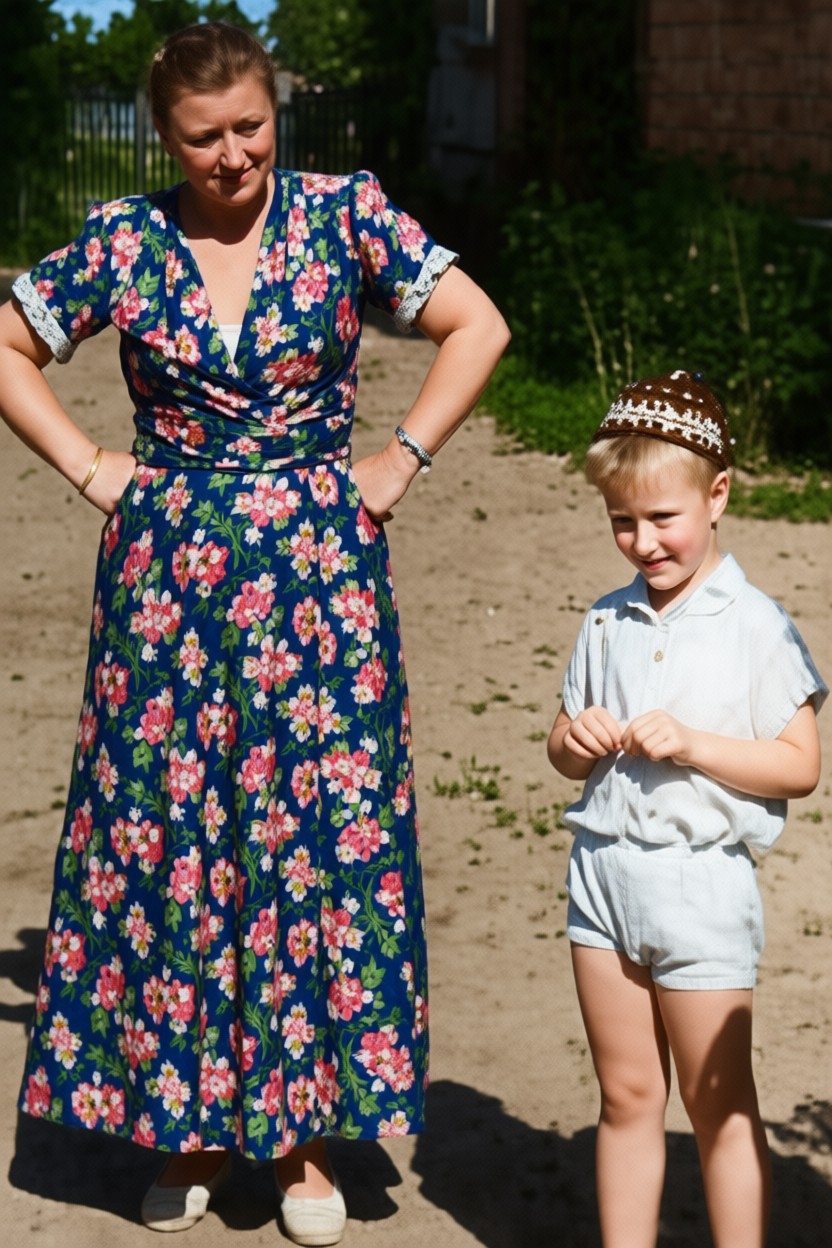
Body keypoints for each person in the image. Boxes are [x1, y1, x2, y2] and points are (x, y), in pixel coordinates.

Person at [0, 21, 509, 1245]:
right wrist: (85, 466)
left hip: (317, 589)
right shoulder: (126, 238)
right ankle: (186, 1128)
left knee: (308, 847)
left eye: (250, 126)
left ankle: (297, 1144)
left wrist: (401, 457)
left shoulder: (346, 216)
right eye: (202, 136)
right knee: (171, 838)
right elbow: (7, 344)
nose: (232, 155)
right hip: (167, 590)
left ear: (276, 110)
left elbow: (476, 326)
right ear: (164, 136)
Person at [547, 370, 826, 1248]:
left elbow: (800, 766)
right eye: (622, 520)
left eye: (662, 518)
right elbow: (558, 748)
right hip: (603, 884)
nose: (642, 541)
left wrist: (697, 743)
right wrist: (577, 737)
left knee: (719, 1106)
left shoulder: (756, 625)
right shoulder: (606, 620)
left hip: (702, 893)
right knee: (626, 1098)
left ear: (718, 495)